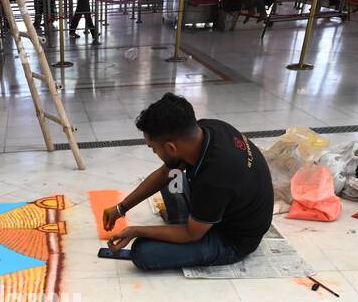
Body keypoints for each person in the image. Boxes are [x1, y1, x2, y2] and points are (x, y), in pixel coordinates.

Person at [101, 94, 274, 271]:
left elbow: (191, 234)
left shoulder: (215, 178)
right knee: (172, 175)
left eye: (153, 148)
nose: (155, 153)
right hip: (224, 204)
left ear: (171, 147)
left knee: (143, 252)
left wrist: (136, 230)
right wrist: (121, 208)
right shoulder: (208, 128)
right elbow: (164, 173)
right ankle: (192, 220)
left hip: (232, 240)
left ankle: (192, 222)